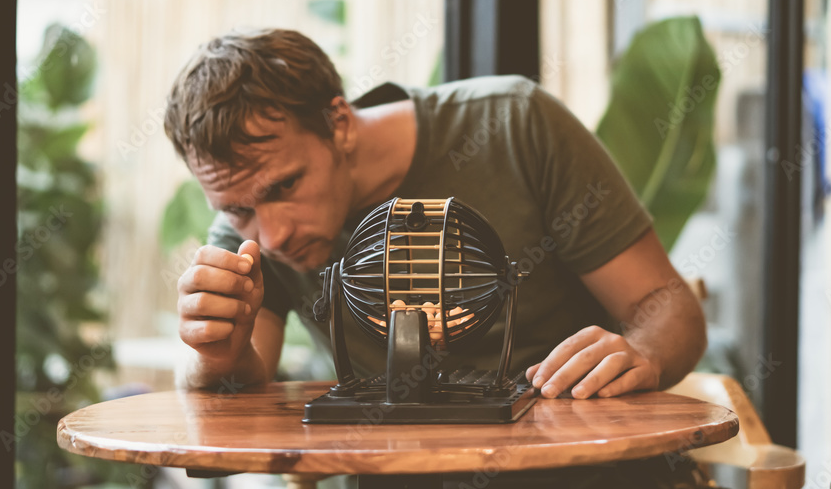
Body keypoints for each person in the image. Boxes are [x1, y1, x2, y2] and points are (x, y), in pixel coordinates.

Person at [163, 28, 710, 487]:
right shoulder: (252, 229)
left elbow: (667, 305)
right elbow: (233, 397)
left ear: (340, 123)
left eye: (286, 186)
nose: (274, 235)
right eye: (236, 209)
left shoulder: (515, 125)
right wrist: (214, 353)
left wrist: (643, 352)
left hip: (588, 468)